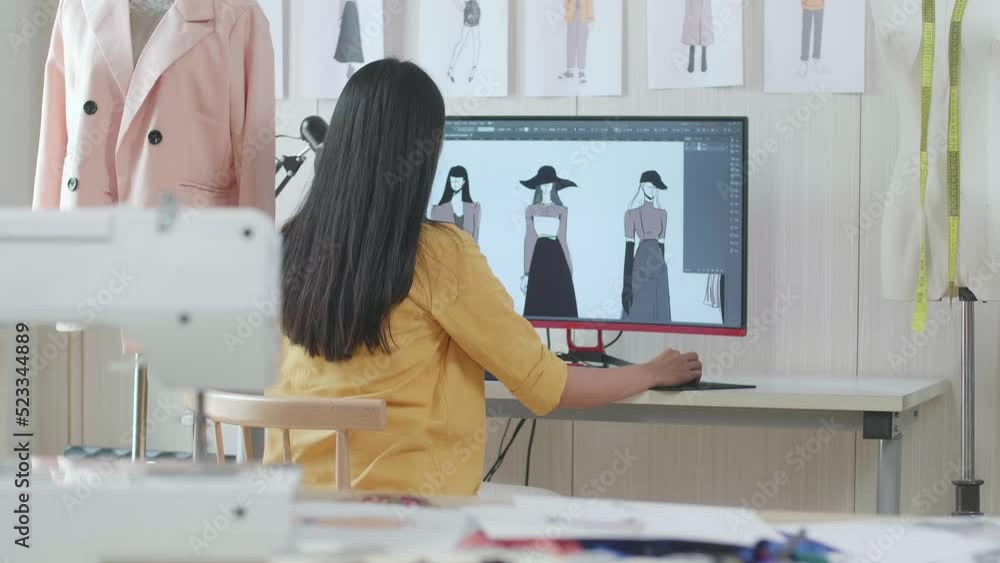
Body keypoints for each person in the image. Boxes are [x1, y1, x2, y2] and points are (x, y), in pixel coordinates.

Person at [264, 59, 702, 495]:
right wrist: (649, 372)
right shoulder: (440, 254)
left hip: (296, 518)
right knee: (552, 505)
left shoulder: (286, 245)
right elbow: (546, 384)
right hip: (408, 520)